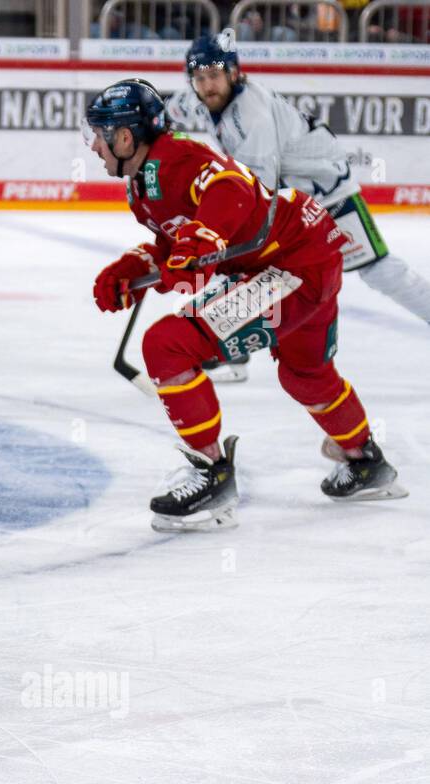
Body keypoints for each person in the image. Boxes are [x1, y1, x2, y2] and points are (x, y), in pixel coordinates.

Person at [86, 79, 406, 533]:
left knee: (167, 345)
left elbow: (231, 185)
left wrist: (203, 239)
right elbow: (175, 241)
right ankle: (366, 462)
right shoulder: (141, 186)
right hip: (306, 253)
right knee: (305, 374)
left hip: (291, 266)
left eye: (100, 133)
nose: (94, 145)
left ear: (125, 136)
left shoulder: (176, 156)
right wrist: (133, 269)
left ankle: (211, 474)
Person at [169, 30, 430, 328]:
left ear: (234, 73)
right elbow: (171, 111)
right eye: (199, 78)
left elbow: (256, 192)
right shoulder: (203, 95)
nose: (207, 85)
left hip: (330, 195)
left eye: (214, 75)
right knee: (251, 268)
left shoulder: (253, 117)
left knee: (380, 271)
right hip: (293, 196)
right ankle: (233, 351)